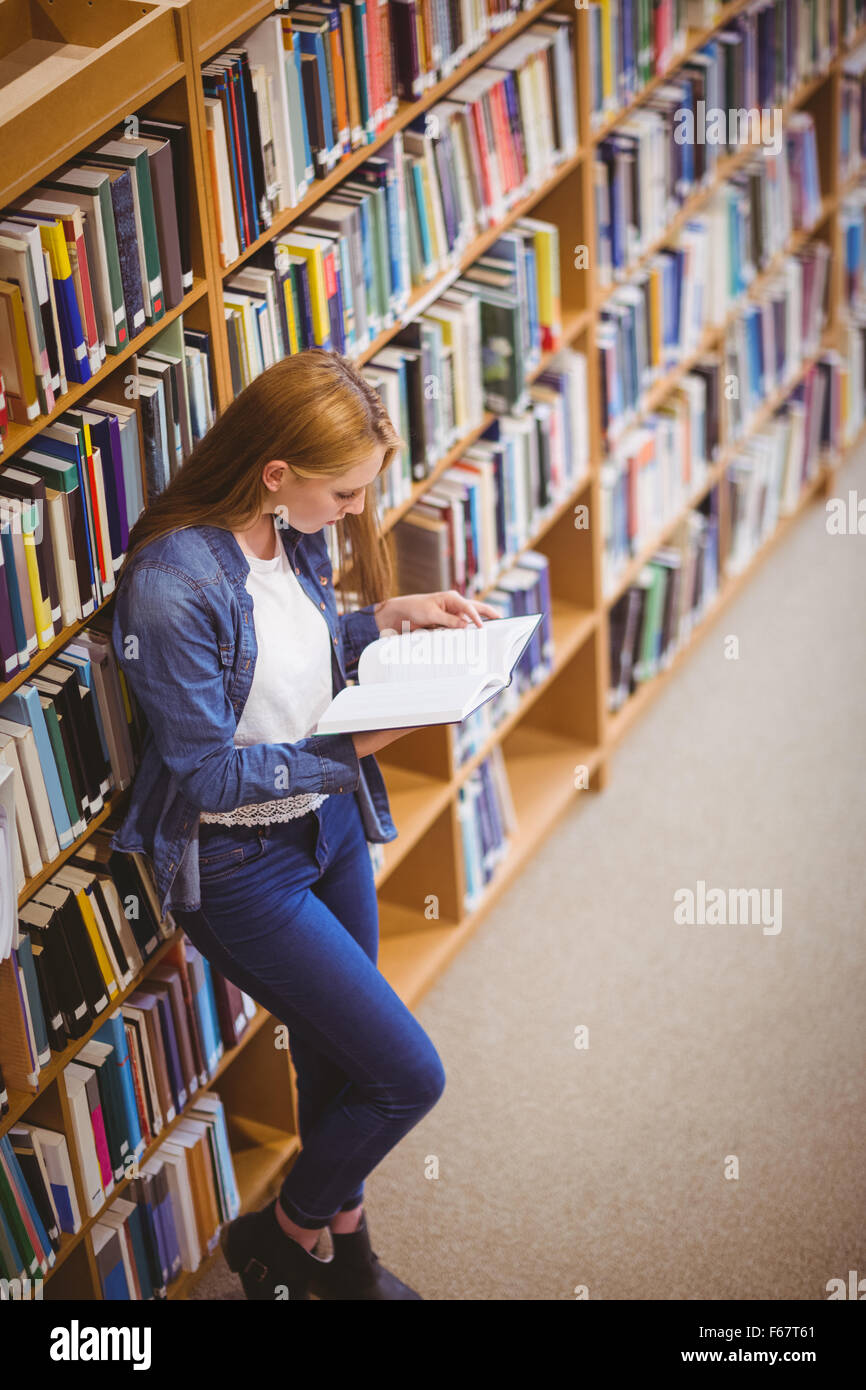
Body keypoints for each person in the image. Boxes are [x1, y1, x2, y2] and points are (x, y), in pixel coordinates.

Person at [110, 348, 498, 1301]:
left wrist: (384, 622)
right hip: (241, 866)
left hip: (321, 831)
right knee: (408, 1075)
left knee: (337, 1062)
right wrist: (360, 749)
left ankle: (346, 1261)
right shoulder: (169, 588)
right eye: (348, 491)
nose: (360, 509)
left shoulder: (291, 527)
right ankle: (282, 1238)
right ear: (275, 470)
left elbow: (292, 659)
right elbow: (207, 775)